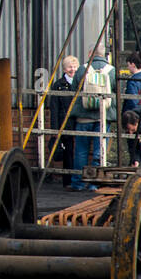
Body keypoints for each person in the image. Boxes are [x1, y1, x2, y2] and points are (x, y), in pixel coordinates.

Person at [72, 49, 116, 191]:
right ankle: (95, 184)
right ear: (104, 55)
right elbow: (116, 90)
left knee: (81, 151)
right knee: (99, 152)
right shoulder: (111, 70)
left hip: (83, 117)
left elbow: (74, 90)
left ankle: (78, 183)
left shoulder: (82, 69)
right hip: (103, 117)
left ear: (90, 53)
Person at [49, 56, 82, 184]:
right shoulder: (58, 85)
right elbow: (54, 109)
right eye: (69, 67)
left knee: (80, 151)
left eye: (74, 67)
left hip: (79, 120)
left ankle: (79, 179)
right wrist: (55, 129)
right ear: (64, 69)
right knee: (68, 151)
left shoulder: (81, 83)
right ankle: (68, 181)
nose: (72, 69)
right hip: (65, 122)